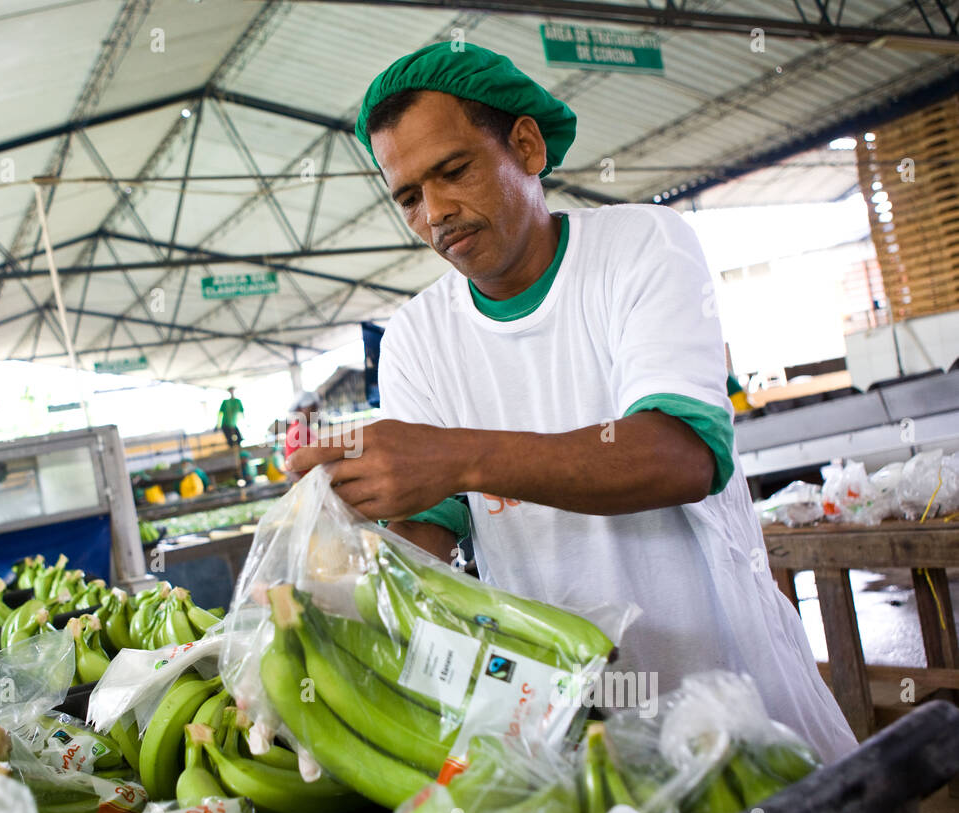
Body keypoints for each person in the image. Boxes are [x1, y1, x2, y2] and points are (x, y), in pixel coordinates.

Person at [287, 42, 857, 764]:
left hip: (732, 693)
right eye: (407, 197)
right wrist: (340, 563)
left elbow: (678, 455)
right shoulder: (417, 337)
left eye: (453, 171)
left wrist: (455, 456)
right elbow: (427, 535)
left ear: (525, 145)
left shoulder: (642, 248)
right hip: (566, 718)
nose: (435, 213)